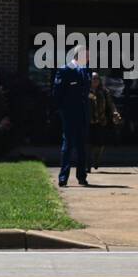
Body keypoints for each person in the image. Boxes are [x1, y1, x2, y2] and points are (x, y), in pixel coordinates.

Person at [52, 47, 91, 187]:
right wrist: (61, 110)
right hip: (69, 113)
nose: (88, 59)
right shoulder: (65, 70)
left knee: (82, 146)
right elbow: (57, 93)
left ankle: (82, 177)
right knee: (68, 144)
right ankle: (63, 177)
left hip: (82, 113)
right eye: (87, 56)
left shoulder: (86, 71)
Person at [87, 71, 121, 173]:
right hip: (88, 121)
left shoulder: (104, 91)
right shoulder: (85, 91)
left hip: (101, 121)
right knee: (88, 144)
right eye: (93, 79)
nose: (95, 80)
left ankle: (96, 159)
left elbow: (111, 104)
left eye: (97, 78)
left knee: (100, 144)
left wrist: (115, 113)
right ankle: (87, 165)